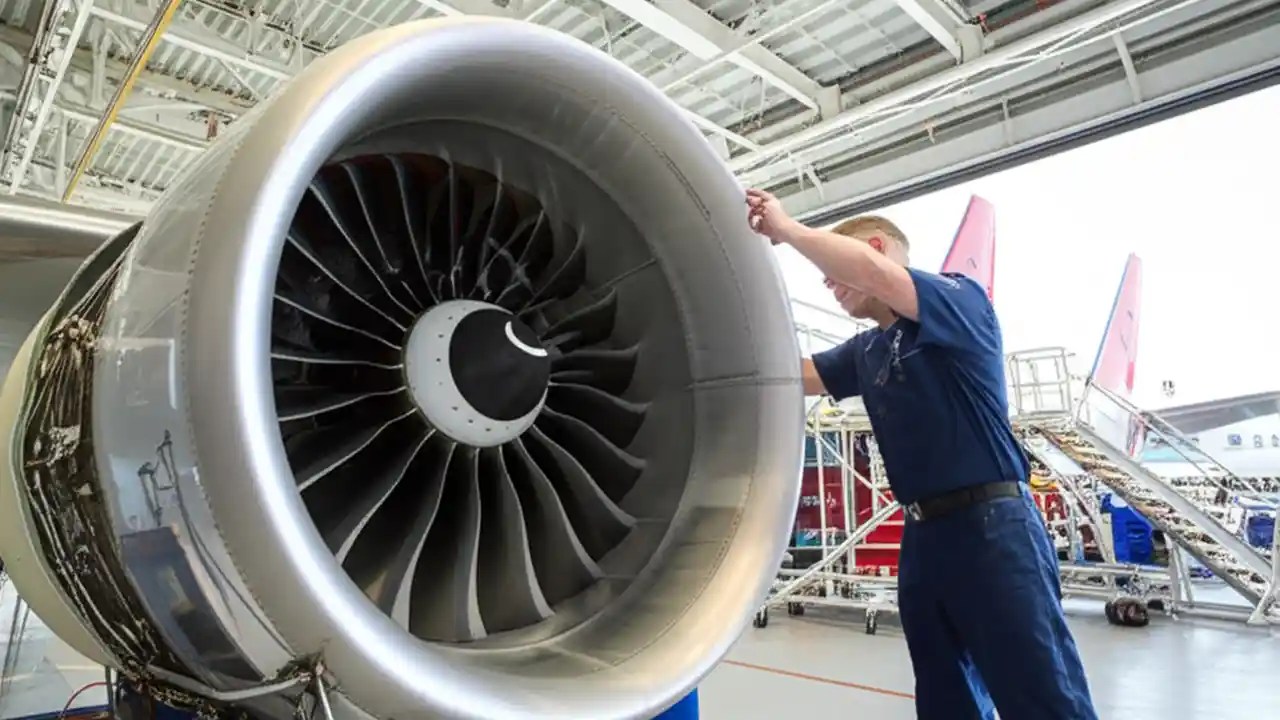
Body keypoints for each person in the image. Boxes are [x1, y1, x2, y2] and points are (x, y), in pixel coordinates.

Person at [745, 189, 1098, 720]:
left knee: (1038, 690)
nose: (828, 282)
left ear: (878, 248)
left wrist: (789, 231)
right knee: (943, 692)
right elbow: (799, 374)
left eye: (836, 266)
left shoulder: (960, 301)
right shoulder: (869, 349)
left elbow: (879, 278)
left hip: (993, 528)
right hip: (924, 537)